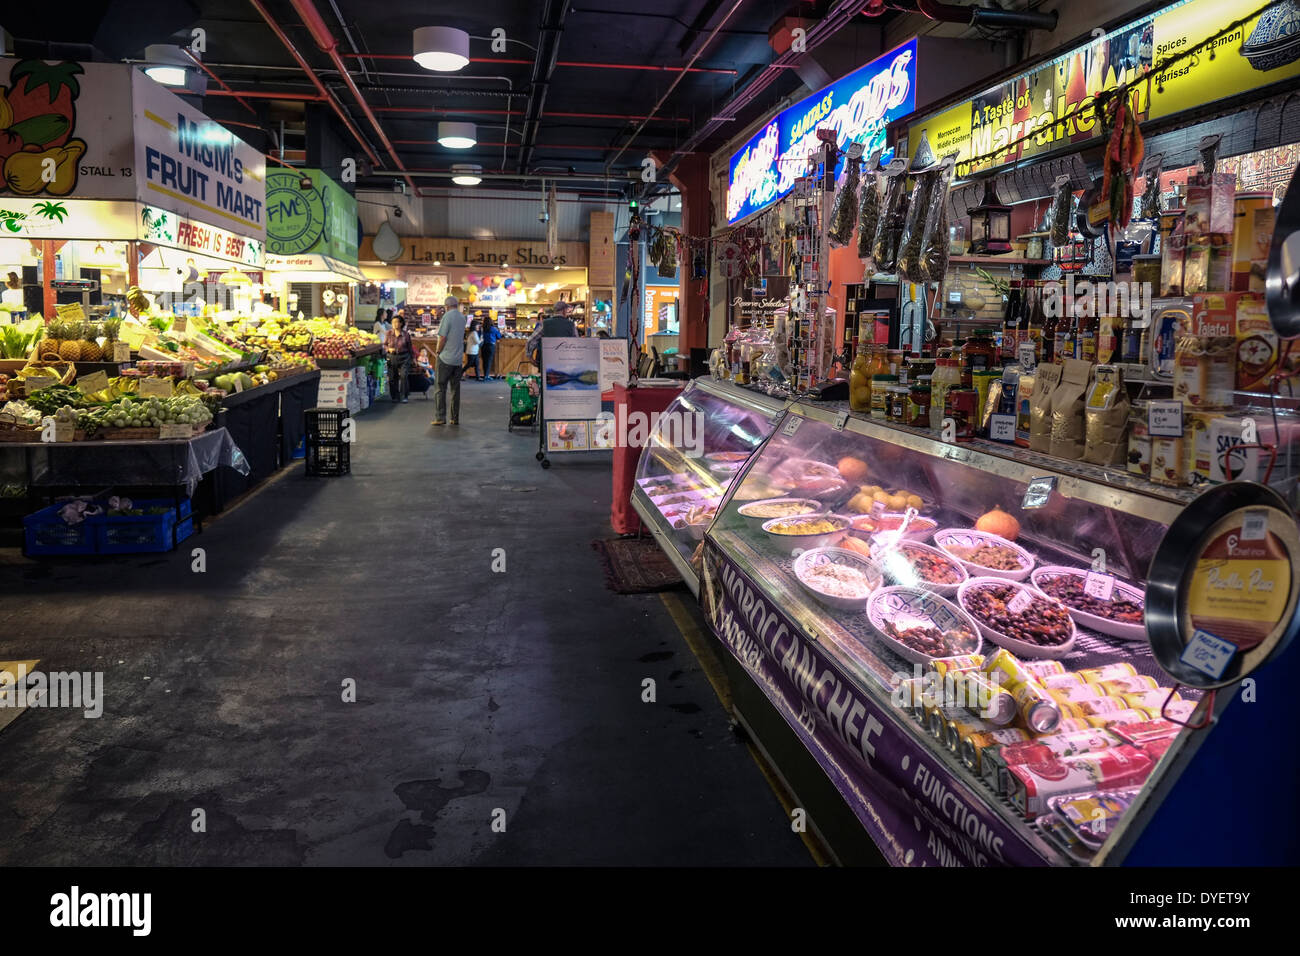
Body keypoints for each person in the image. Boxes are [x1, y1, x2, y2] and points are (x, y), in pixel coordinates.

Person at [432, 294, 468, 426]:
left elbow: (442, 338)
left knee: (440, 388)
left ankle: (440, 417)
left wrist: (438, 351)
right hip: (458, 360)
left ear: (446, 306)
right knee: (455, 390)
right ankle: (455, 418)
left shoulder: (447, 317)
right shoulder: (462, 317)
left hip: (445, 358)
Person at [525, 300, 577, 365]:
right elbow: (576, 343)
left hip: (546, 362)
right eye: (566, 310)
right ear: (564, 311)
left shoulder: (545, 323)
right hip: (565, 363)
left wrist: (530, 357)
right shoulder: (571, 325)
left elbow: (531, 340)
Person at [385, 314, 416, 403]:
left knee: (403, 376)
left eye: (396, 322)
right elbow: (384, 345)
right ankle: (395, 396)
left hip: (404, 357)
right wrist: (388, 349)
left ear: (401, 323)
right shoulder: (389, 333)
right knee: (392, 377)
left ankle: (404, 396)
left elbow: (410, 347)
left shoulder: (406, 335)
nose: (394, 324)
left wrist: (413, 358)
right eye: (393, 322)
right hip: (392, 357)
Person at [479, 314, 501, 380]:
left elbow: (479, 336)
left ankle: (485, 374)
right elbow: (499, 336)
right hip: (491, 346)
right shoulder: (494, 329)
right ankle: (486, 376)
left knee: (484, 360)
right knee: (489, 361)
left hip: (483, 345)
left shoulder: (482, 329)